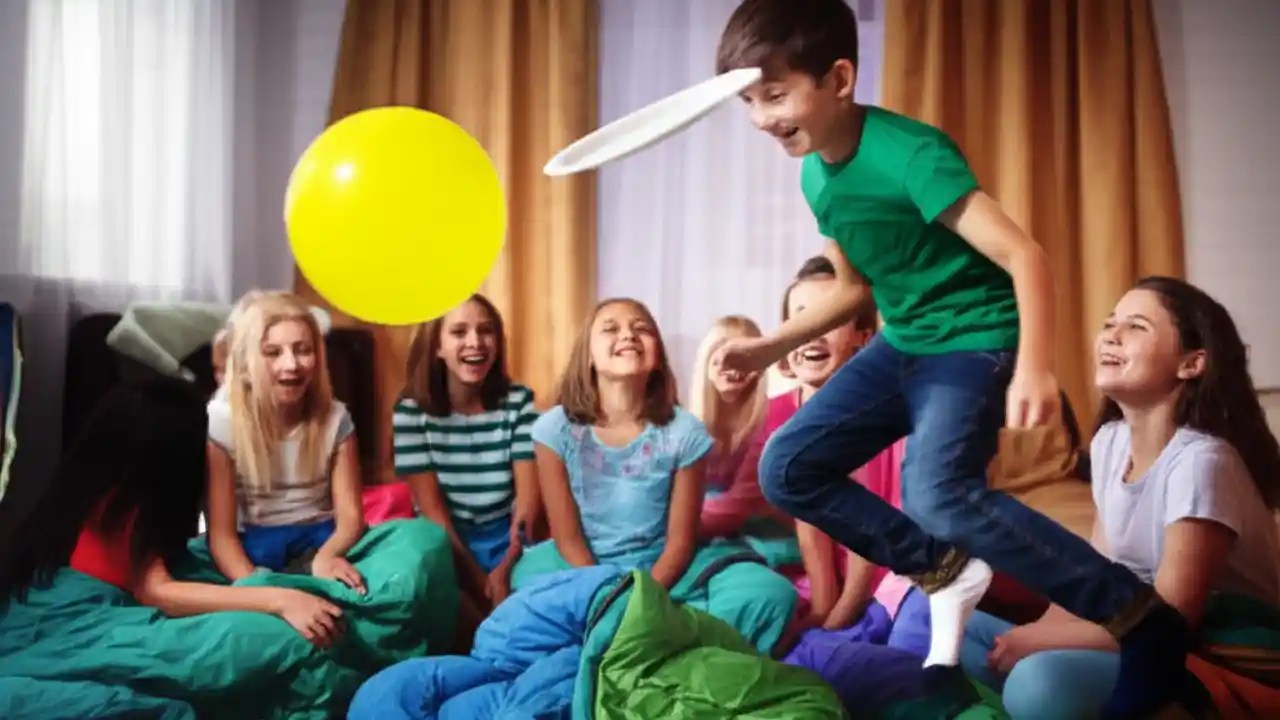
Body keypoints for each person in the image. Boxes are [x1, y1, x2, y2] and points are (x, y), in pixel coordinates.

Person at [713, 1, 1189, 714]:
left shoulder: (912, 154)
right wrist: (765, 348)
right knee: (787, 466)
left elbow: (1024, 256)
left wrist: (1032, 365)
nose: (761, 118)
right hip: (904, 343)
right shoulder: (816, 175)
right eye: (750, 100)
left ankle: (1141, 620)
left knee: (936, 491)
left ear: (839, 77)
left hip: (974, 341)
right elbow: (856, 287)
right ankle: (945, 571)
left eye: (775, 95)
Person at [961, 276, 1280, 718]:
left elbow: (1172, 622)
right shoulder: (1110, 443)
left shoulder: (1203, 462)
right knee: (954, 628)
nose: (1111, 334)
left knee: (1038, 684)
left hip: (1222, 655)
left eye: (1137, 326)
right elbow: (1098, 574)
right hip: (1139, 631)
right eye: (1110, 322)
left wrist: (1038, 646)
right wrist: (1034, 635)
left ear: (1192, 363)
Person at [0, 378, 344, 646]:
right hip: (92, 611)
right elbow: (157, 591)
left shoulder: (91, 483)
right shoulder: (124, 505)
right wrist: (278, 600)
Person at [206, 291, 368, 594]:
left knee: (420, 543)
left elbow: (351, 517)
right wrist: (258, 591)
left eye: (303, 350)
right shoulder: (221, 421)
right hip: (254, 550)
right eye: (273, 352)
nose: (291, 364)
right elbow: (221, 536)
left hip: (325, 541)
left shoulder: (336, 418)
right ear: (246, 362)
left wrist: (327, 558)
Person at [393, 294, 540, 611]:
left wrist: (508, 564)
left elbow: (528, 502)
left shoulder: (519, 401)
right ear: (437, 347)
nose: (476, 342)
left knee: (540, 586)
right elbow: (434, 515)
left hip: (508, 539)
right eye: (459, 332)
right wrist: (478, 581)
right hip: (447, 541)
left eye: (485, 331)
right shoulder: (411, 412)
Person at [687, 315, 785, 539]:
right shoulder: (683, 425)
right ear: (706, 361)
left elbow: (738, 506)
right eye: (720, 353)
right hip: (702, 532)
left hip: (765, 538)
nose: (731, 364)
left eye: (744, 356)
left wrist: (674, 528)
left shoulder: (772, 421)